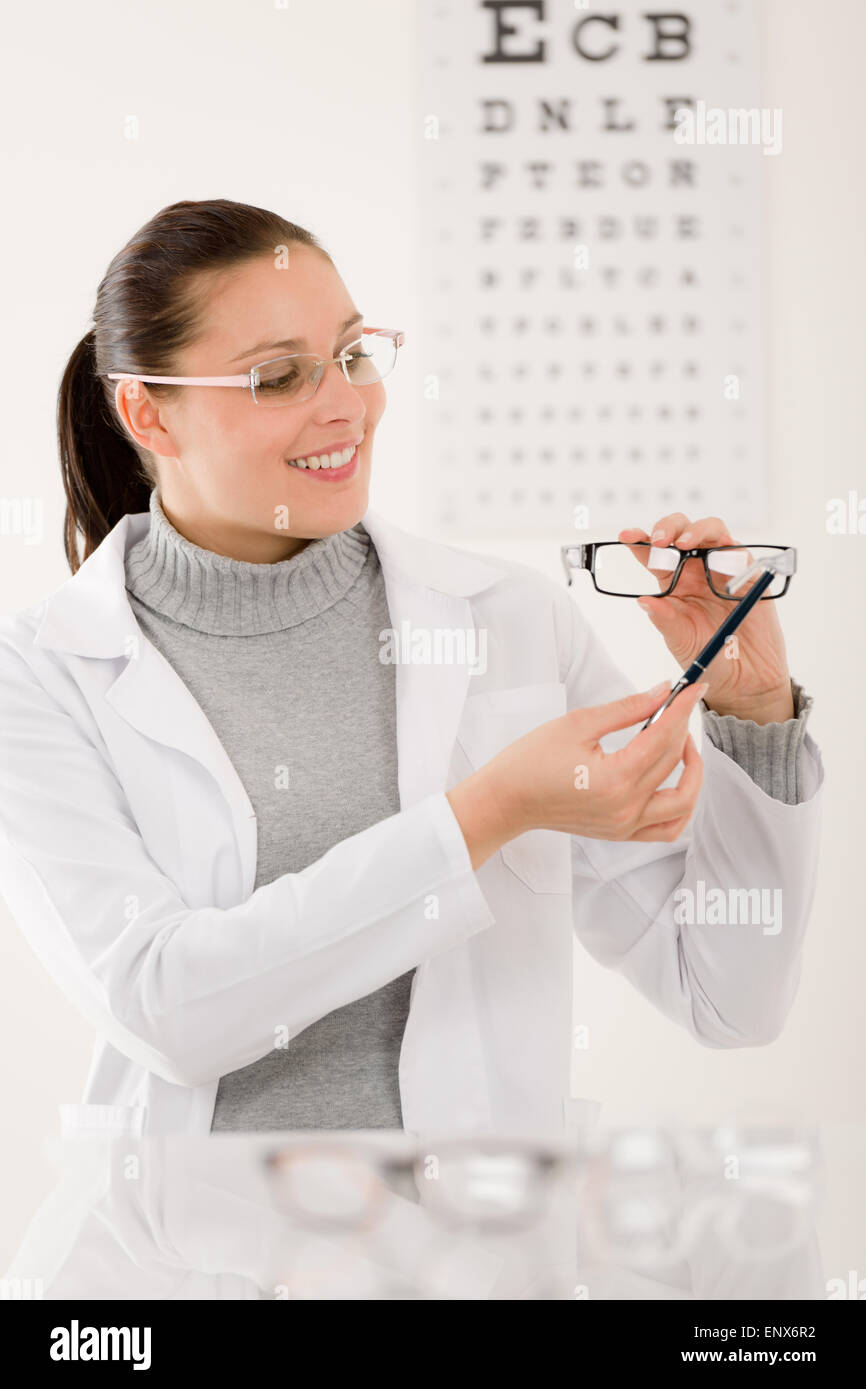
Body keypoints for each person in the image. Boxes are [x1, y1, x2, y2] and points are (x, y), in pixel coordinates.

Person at [0, 199, 823, 1142]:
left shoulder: (507, 623)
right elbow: (164, 1008)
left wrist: (755, 712)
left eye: (353, 353)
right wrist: (490, 812)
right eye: (278, 377)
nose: (346, 403)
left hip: (470, 1257)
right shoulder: (40, 676)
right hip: (193, 1263)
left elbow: (727, 996)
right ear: (147, 411)